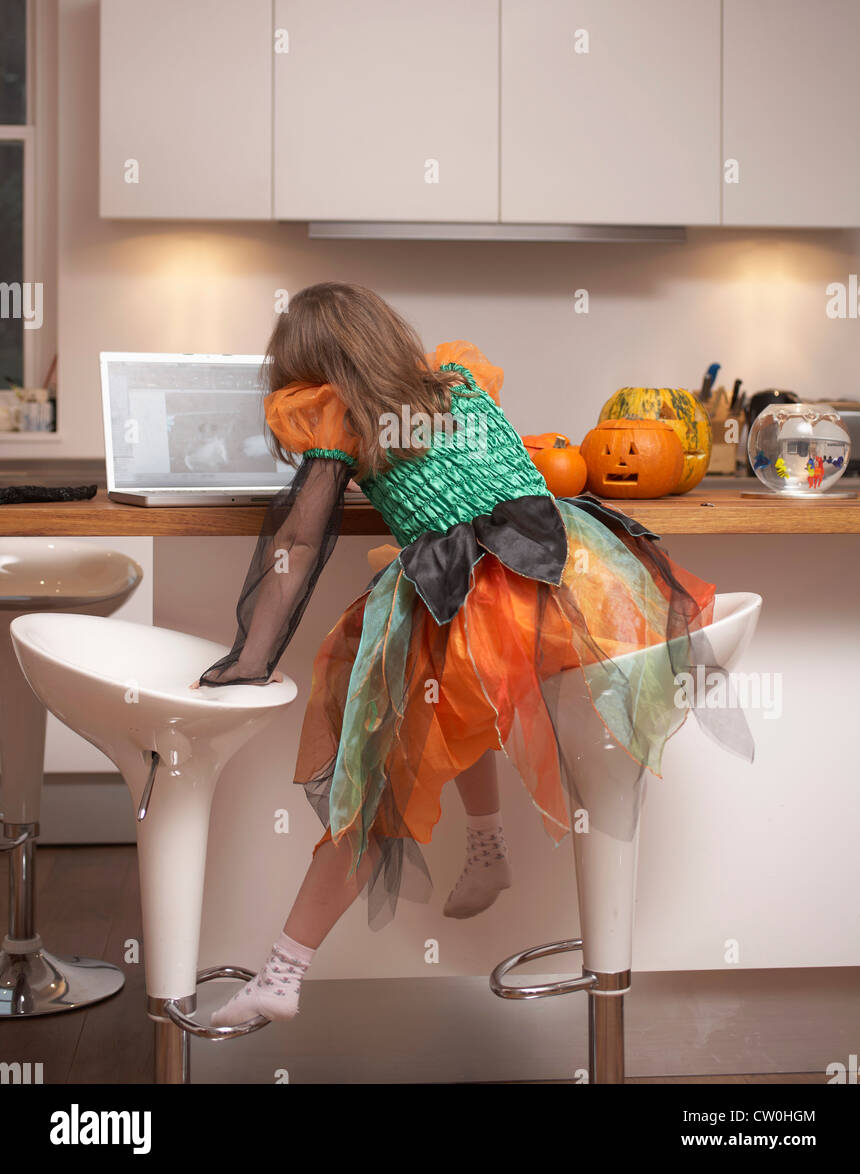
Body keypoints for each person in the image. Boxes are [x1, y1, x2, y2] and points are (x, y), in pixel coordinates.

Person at [194, 282, 749, 1027]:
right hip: (576, 576)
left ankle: (283, 973)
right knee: (466, 696)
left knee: (373, 777)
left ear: (311, 374)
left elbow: (298, 542)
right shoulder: (459, 381)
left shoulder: (341, 418)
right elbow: (479, 488)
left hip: (484, 595)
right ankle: (487, 845)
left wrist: (252, 656)